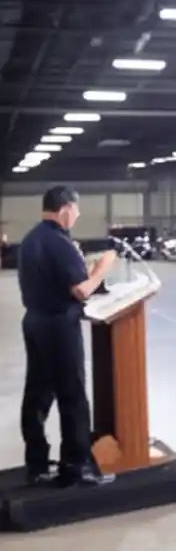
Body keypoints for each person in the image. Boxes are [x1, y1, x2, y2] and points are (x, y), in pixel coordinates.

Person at [18, 185, 118, 487]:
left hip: (35, 321)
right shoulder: (59, 242)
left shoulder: (32, 239)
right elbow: (80, 289)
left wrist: (82, 270)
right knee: (72, 396)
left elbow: (59, 278)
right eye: (76, 209)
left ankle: (36, 463)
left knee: (37, 393)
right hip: (59, 325)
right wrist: (102, 269)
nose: (77, 215)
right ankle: (76, 467)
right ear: (64, 208)